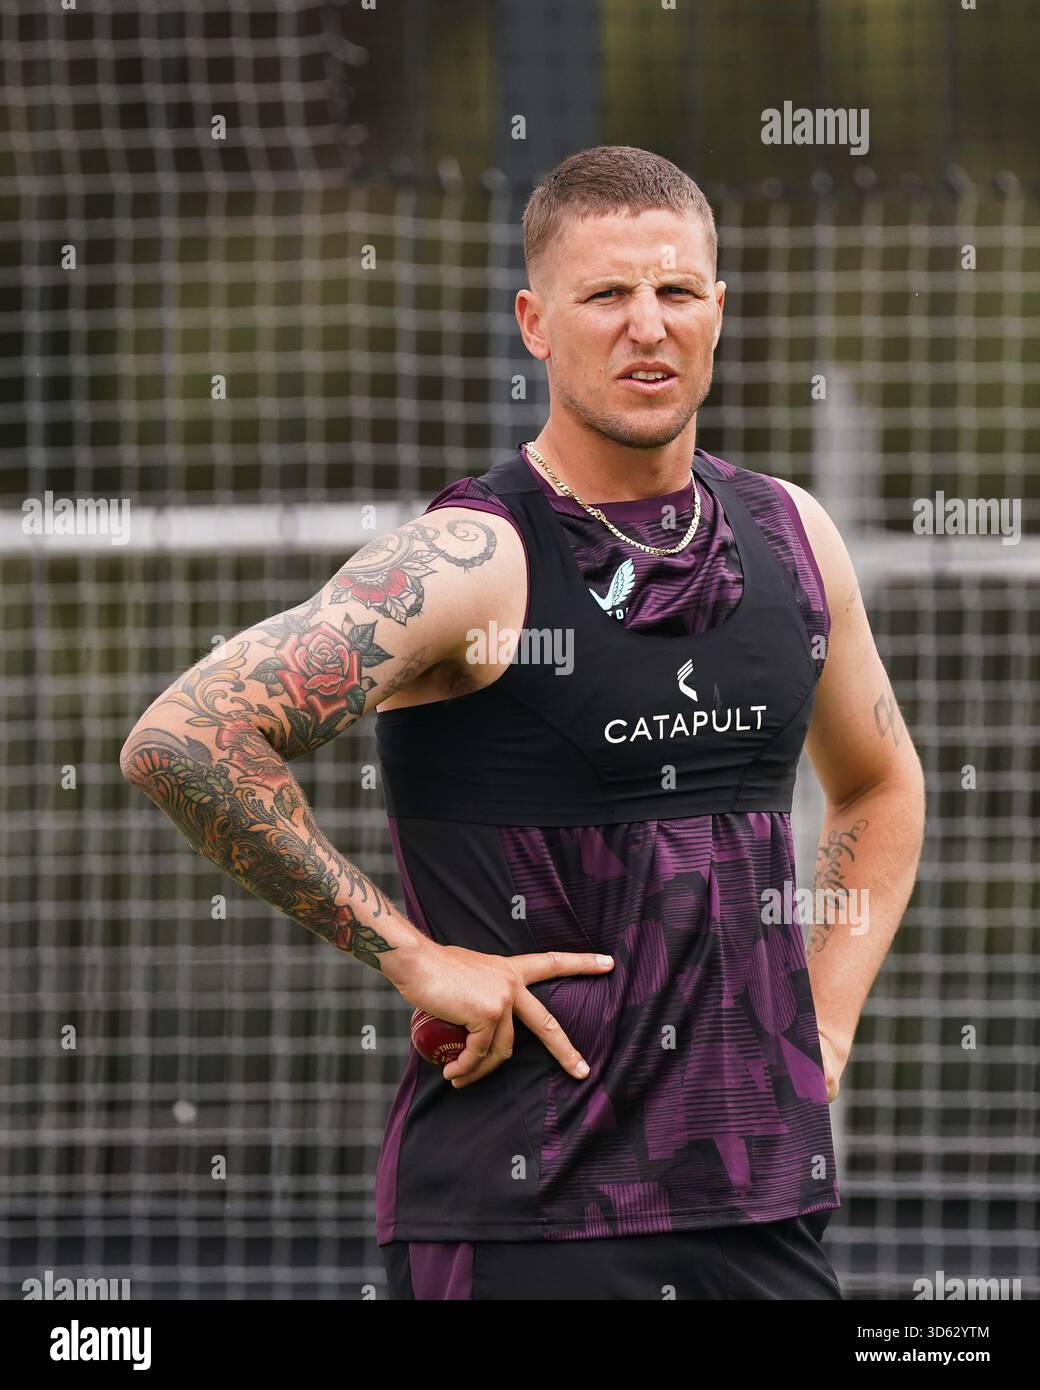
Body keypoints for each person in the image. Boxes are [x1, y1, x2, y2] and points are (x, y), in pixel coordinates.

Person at [121, 145, 926, 1300]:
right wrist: (411, 958)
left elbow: (879, 783)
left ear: (716, 311)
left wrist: (827, 1028)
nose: (645, 326)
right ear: (534, 323)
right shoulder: (473, 559)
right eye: (604, 296)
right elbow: (185, 736)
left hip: (761, 1207)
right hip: (521, 1222)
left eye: (675, 292)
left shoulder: (790, 535)